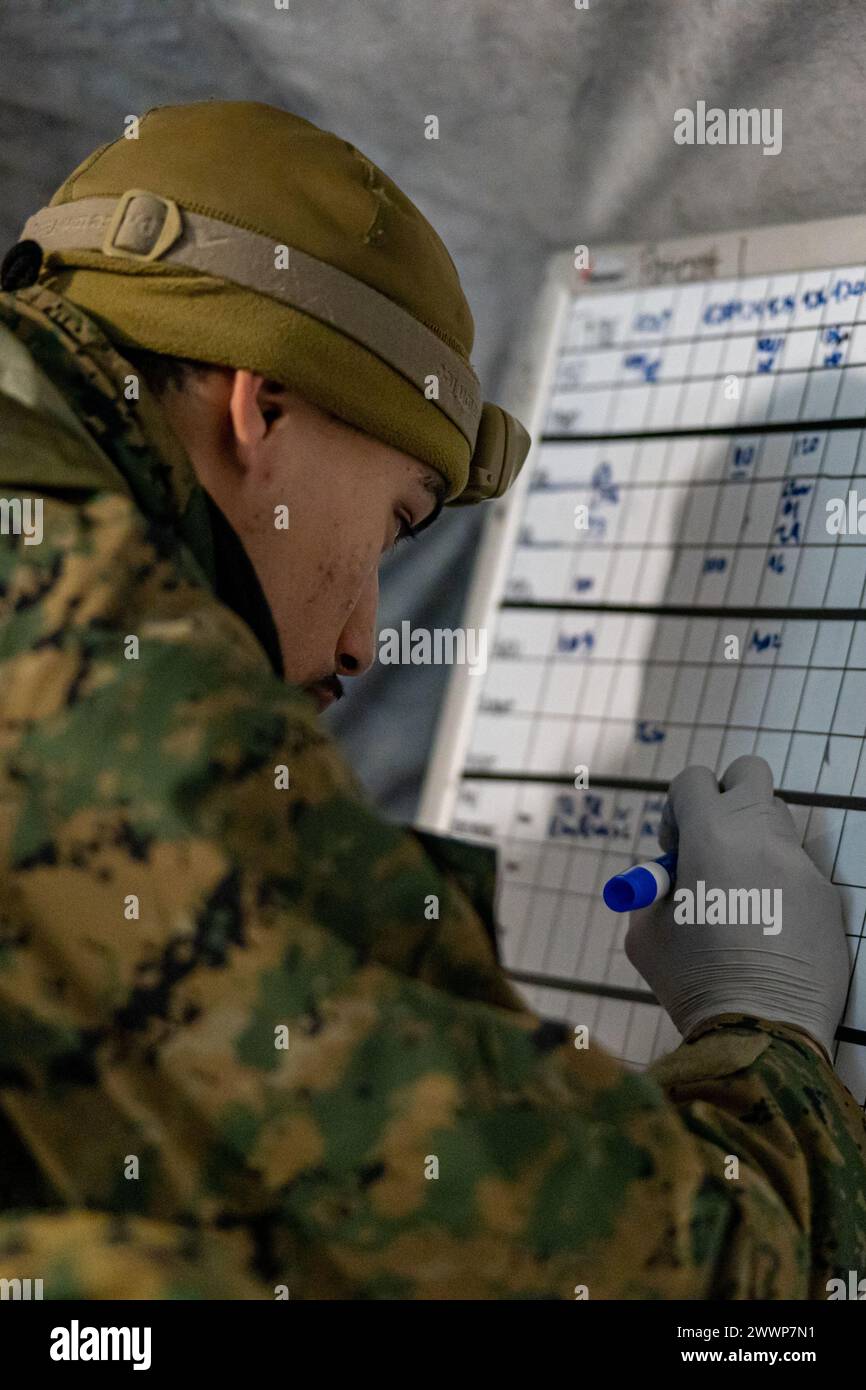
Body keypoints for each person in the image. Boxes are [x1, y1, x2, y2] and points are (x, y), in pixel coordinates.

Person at [0, 100, 862, 1301]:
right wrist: (767, 1034)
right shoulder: (94, 655)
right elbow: (649, 1283)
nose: (358, 639)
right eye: (396, 523)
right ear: (263, 406)